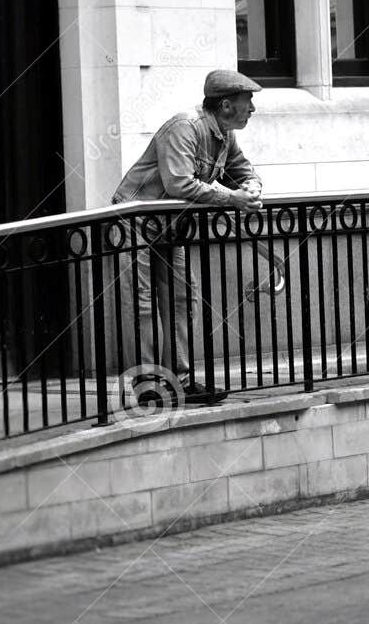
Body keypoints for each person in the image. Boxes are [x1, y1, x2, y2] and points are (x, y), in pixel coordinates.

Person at [112, 68, 264, 405]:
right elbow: (178, 183)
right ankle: (147, 385)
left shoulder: (224, 135)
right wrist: (232, 198)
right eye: (247, 102)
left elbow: (243, 169)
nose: (252, 109)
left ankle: (179, 380)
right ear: (226, 104)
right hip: (135, 221)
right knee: (142, 303)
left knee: (183, 298)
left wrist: (251, 187)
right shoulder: (185, 127)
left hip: (169, 225)